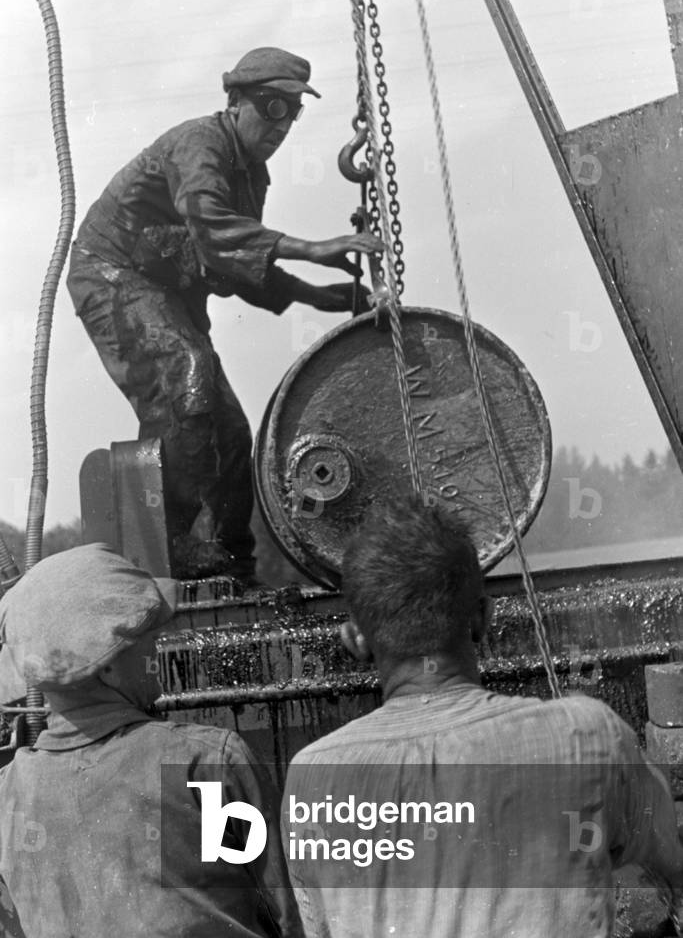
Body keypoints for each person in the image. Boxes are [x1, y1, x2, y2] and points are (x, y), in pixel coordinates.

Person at [281, 499, 683, 937]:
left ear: (355, 638)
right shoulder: (586, 736)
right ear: (483, 618)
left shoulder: (311, 778)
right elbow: (671, 864)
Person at [66, 46, 380, 581]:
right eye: (271, 106)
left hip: (167, 286)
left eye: (292, 111)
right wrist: (314, 248)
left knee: (232, 434)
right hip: (112, 272)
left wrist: (316, 296)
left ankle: (232, 560)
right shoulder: (200, 144)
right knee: (185, 373)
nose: (281, 124)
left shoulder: (252, 177)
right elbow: (212, 227)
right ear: (235, 102)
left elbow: (230, 263)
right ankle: (174, 541)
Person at [0, 543, 304, 938]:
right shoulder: (205, 764)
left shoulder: (8, 794)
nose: (157, 647)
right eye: (145, 637)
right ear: (106, 665)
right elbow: (290, 914)